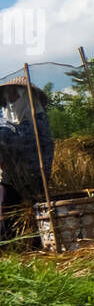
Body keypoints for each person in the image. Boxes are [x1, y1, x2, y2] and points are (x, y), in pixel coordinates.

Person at [0, 77, 55, 241]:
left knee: (23, 215)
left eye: (14, 94)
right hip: (11, 179)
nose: (9, 99)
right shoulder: (8, 122)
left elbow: (20, 142)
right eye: (7, 94)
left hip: (32, 180)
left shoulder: (38, 122)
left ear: (26, 96)